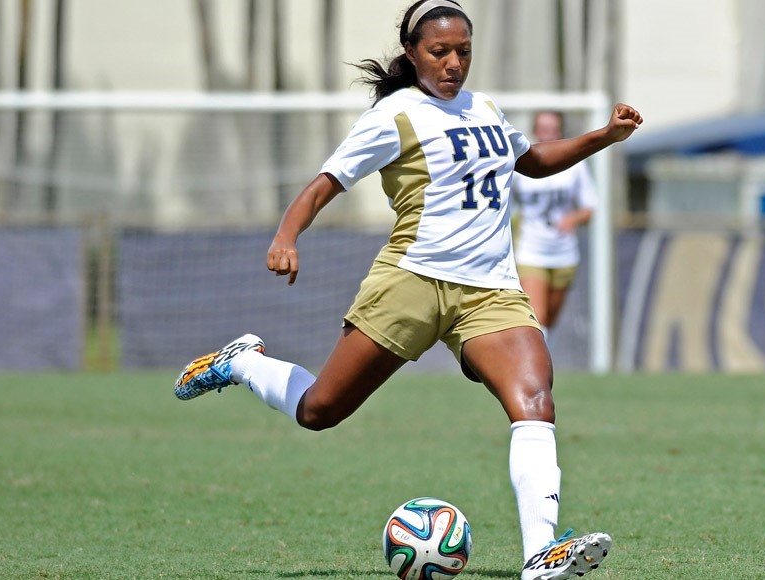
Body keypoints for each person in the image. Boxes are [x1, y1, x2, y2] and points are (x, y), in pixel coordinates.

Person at [173, 2, 642, 578]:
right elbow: (325, 184)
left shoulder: (486, 109)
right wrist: (286, 235)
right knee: (320, 410)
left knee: (535, 402)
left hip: (490, 290)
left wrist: (605, 135)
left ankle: (539, 557)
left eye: (463, 51)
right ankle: (244, 362)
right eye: (439, 51)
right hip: (411, 283)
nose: (453, 63)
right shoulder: (395, 115)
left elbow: (535, 162)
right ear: (412, 53)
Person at [512, 111, 596, 339]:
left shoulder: (575, 166)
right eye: (543, 129)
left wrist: (573, 219)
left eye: (552, 129)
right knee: (536, 319)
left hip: (564, 253)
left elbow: (589, 208)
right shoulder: (521, 165)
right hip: (530, 251)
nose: (548, 134)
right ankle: (535, 372)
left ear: (560, 132)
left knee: (549, 320)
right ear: (535, 131)